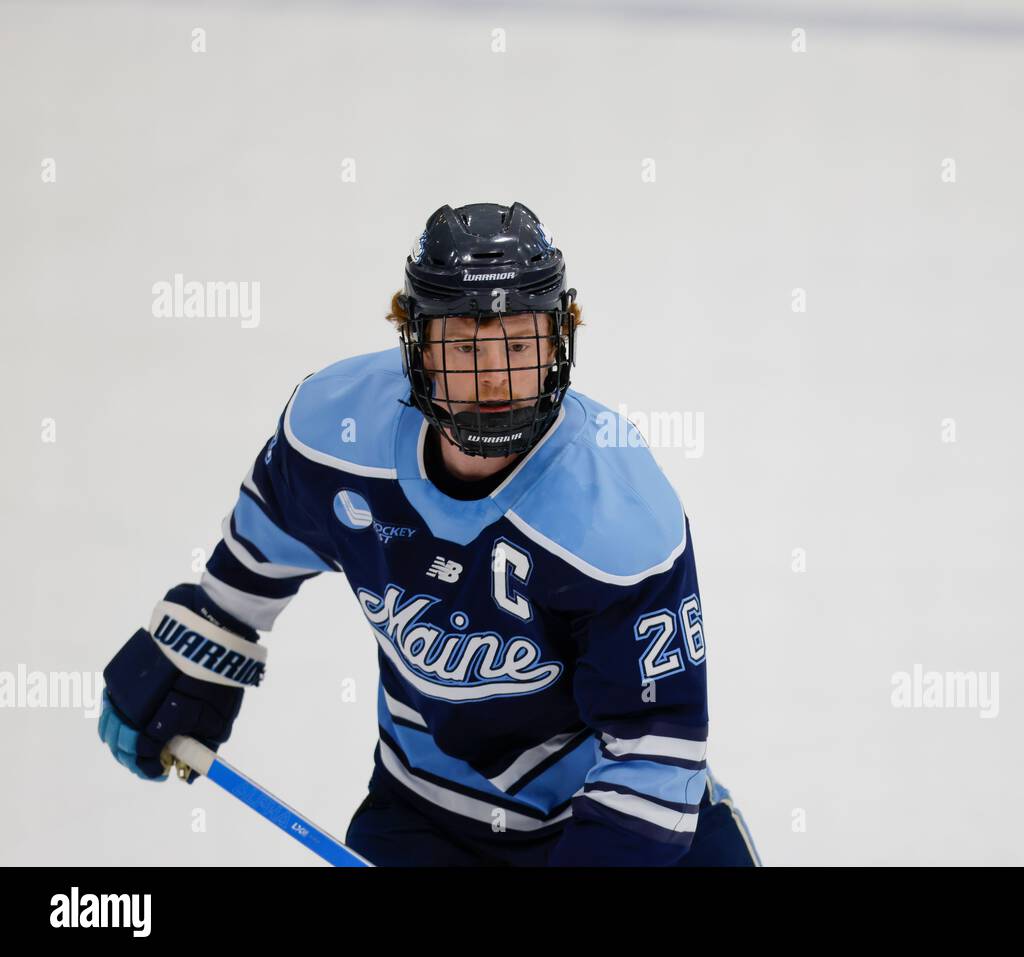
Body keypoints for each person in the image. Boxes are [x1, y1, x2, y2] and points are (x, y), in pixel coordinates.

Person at [97, 201, 761, 866]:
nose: (497, 376)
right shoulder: (337, 432)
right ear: (417, 346)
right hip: (428, 820)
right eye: (467, 346)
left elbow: (652, 755)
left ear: (561, 342)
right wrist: (193, 657)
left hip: (610, 824)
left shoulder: (617, 511)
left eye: (521, 344)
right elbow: (258, 554)